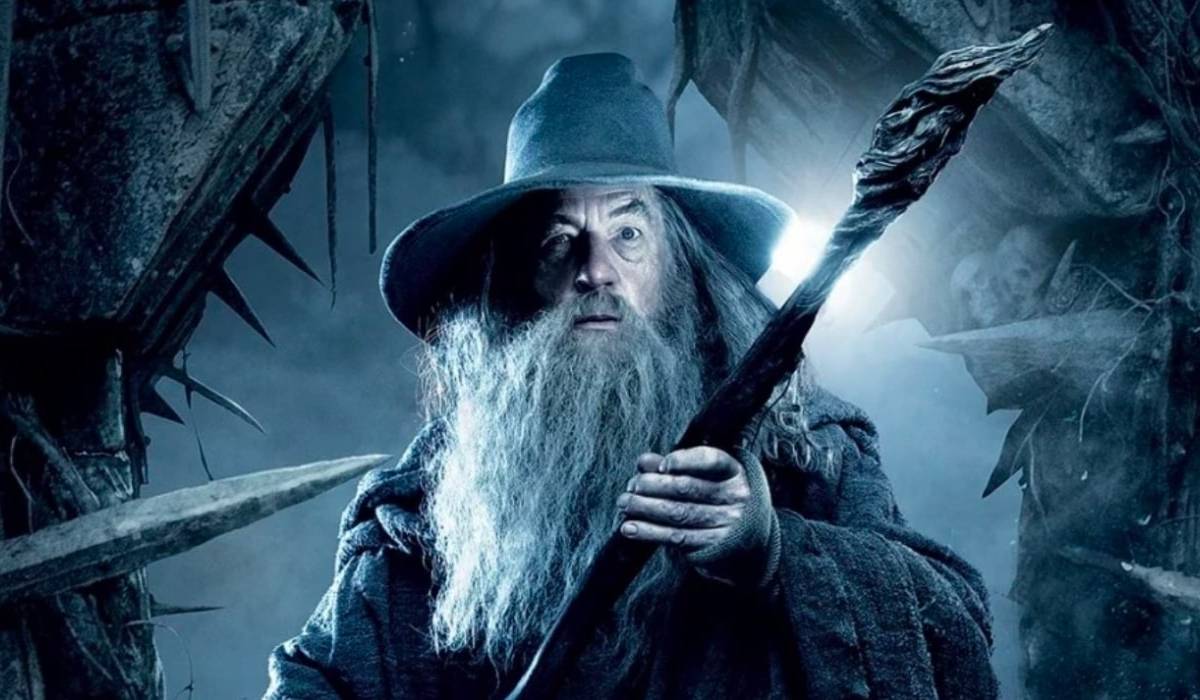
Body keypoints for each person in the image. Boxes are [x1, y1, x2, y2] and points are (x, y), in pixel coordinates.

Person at [265, 53, 997, 699]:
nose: (596, 270)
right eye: (560, 241)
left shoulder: (805, 443)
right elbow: (319, 680)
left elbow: (955, 636)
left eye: (628, 234)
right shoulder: (442, 494)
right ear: (516, 282)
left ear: (681, 268)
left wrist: (775, 552)